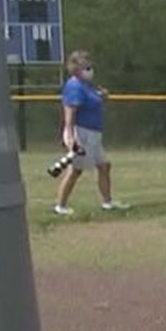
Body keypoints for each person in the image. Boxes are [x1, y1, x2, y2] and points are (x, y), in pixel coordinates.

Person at [53, 50, 127, 215]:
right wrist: (71, 137)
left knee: (104, 165)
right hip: (81, 133)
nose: (90, 70)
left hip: (93, 134)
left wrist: (102, 96)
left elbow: (91, 101)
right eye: (86, 67)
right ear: (76, 69)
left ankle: (107, 202)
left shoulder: (86, 86)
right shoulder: (74, 86)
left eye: (90, 66)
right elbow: (70, 113)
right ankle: (60, 206)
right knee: (75, 170)